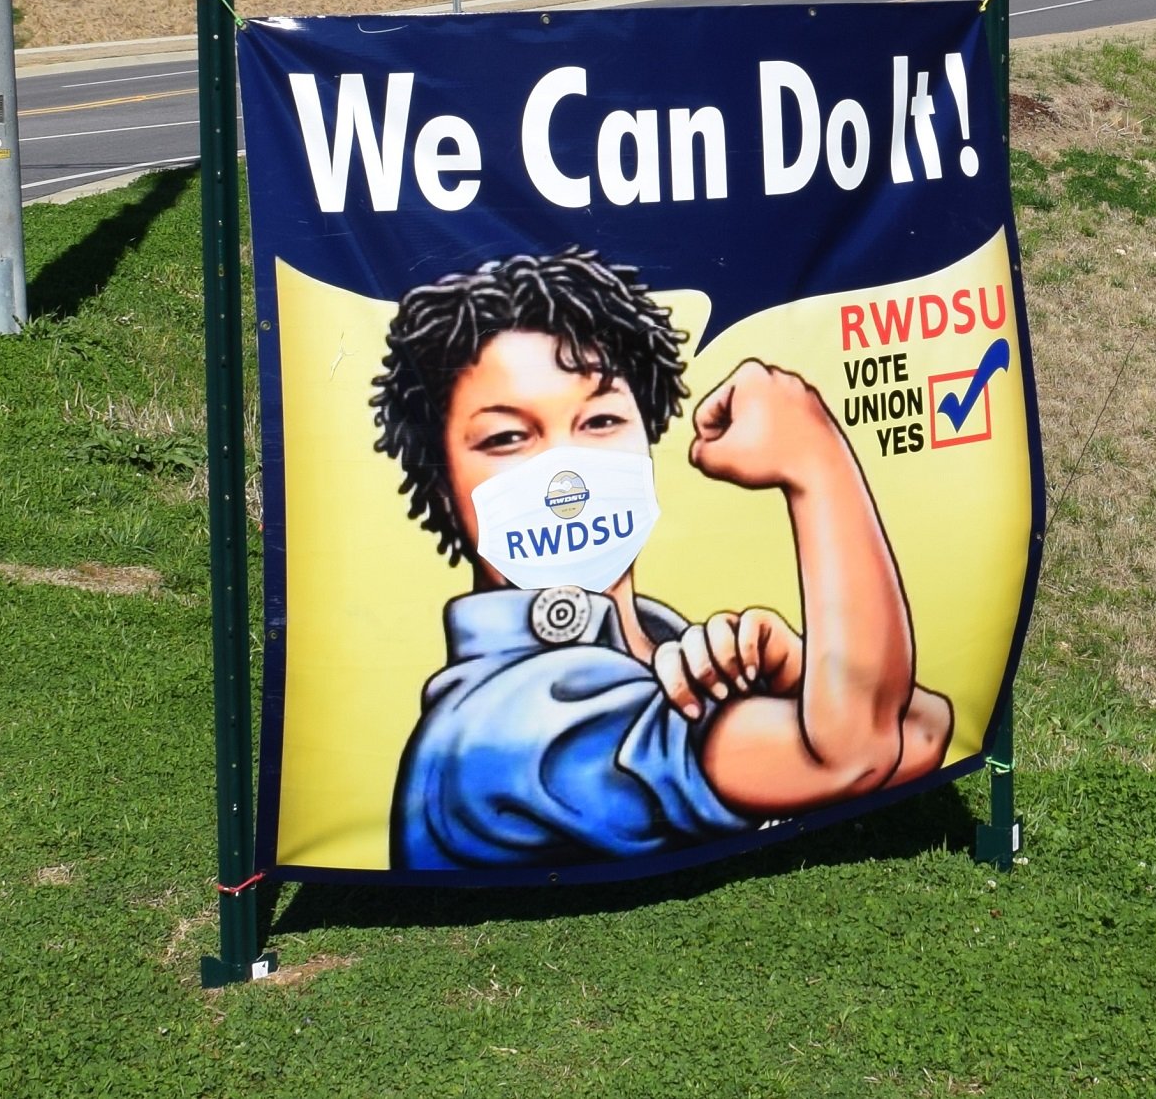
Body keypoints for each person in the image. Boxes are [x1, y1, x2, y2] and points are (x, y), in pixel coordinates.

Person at [373, 249, 953, 872]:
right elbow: (850, 756)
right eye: (507, 438)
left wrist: (797, 669)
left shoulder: (652, 639)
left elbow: (918, 733)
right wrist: (816, 464)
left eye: (600, 421)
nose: (566, 475)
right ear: (441, 486)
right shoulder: (509, 719)